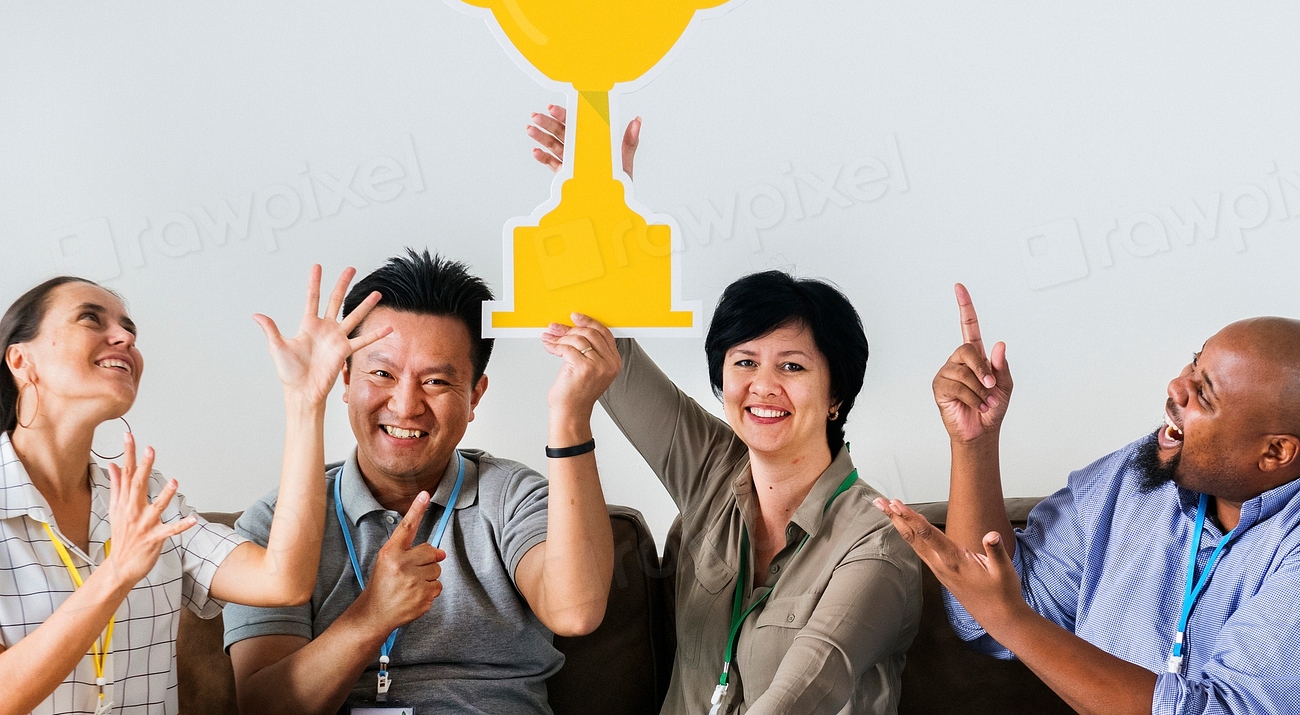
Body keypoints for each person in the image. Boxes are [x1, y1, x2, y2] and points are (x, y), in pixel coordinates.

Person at [531, 107, 921, 715]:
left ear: (837, 396)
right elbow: (607, 352)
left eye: (792, 367)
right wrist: (597, 198)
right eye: (744, 362)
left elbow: (803, 694)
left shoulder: (878, 543)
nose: (762, 386)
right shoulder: (714, 470)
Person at [875, 284, 1300, 715]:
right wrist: (974, 443)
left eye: (1204, 394)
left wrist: (1010, 618)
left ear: (1275, 452)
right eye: (1194, 362)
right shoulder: (1137, 475)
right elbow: (985, 613)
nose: (1176, 386)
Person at [224, 249, 617, 715]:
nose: (406, 405)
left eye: (435, 382)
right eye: (382, 373)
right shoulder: (275, 523)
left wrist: (570, 416)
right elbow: (264, 707)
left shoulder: (511, 498)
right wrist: (371, 616)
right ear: (344, 378)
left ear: (474, 396)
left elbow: (575, 612)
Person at [0, 266, 386, 715]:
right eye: (91, 319)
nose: (124, 338)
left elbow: (283, 580)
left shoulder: (149, 499)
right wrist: (115, 575)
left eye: (129, 329)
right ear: (20, 360)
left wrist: (305, 400)